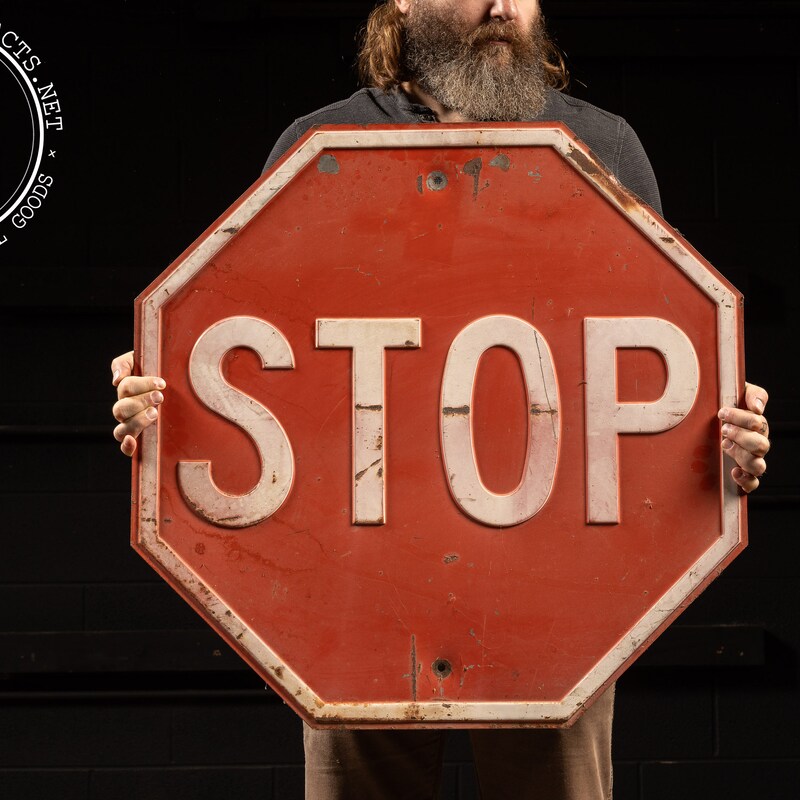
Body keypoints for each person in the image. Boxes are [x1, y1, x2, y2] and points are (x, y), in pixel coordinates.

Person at [110, 2, 771, 797]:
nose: (501, 6)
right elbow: (251, 336)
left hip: (559, 600)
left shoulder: (606, 146)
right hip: (359, 588)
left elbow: (660, 360)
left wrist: (719, 433)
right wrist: (167, 397)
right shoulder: (318, 146)